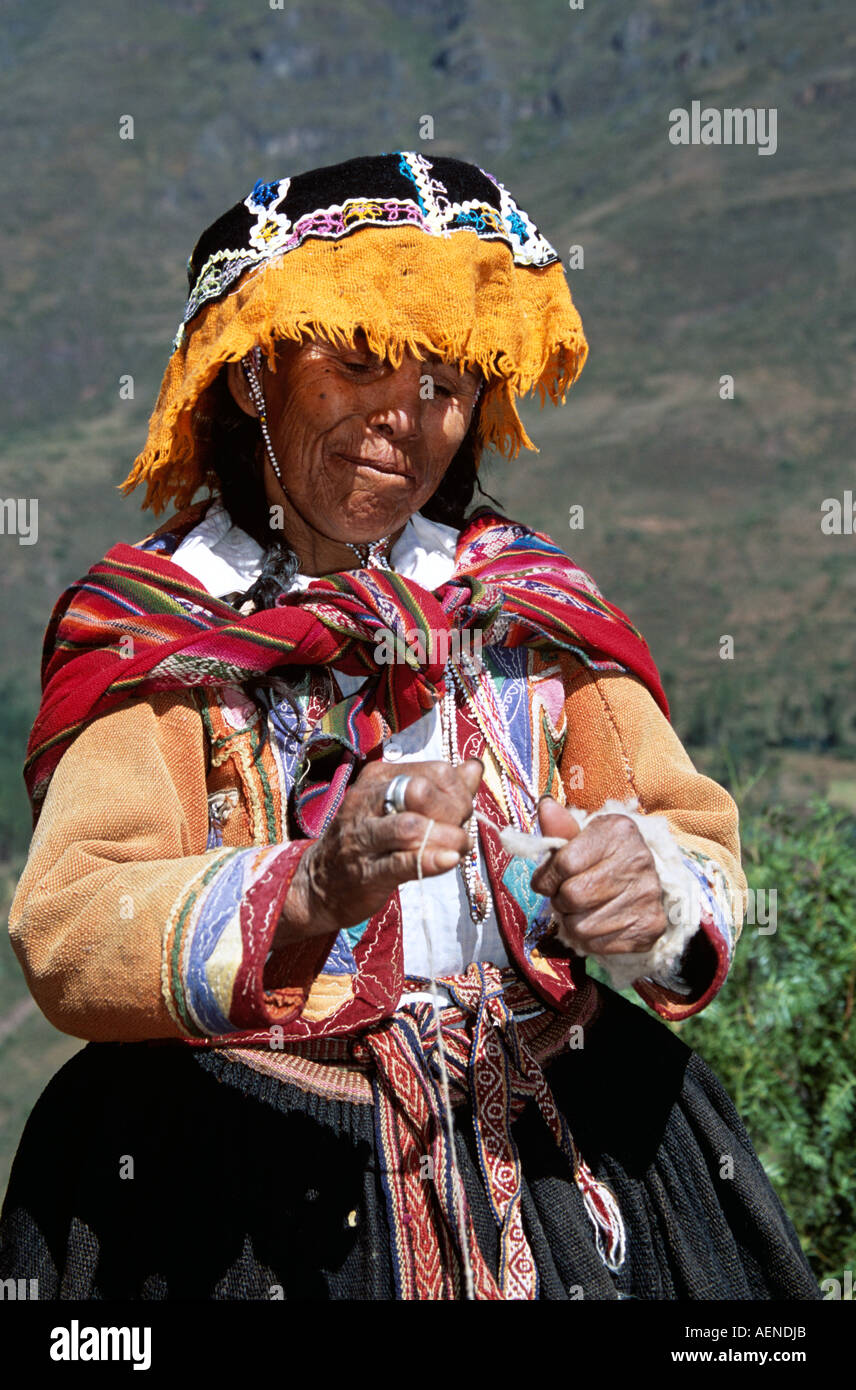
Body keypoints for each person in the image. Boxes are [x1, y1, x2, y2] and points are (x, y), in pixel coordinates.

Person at [0, 152, 819, 1301]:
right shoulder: (165, 634)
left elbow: (694, 848)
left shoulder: (528, 606)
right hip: (235, 1189)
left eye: (444, 380)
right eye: (360, 363)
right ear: (253, 377)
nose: (405, 416)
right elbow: (71, 920)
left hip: (566, 1163)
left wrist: (652, 894)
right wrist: (305, 888)